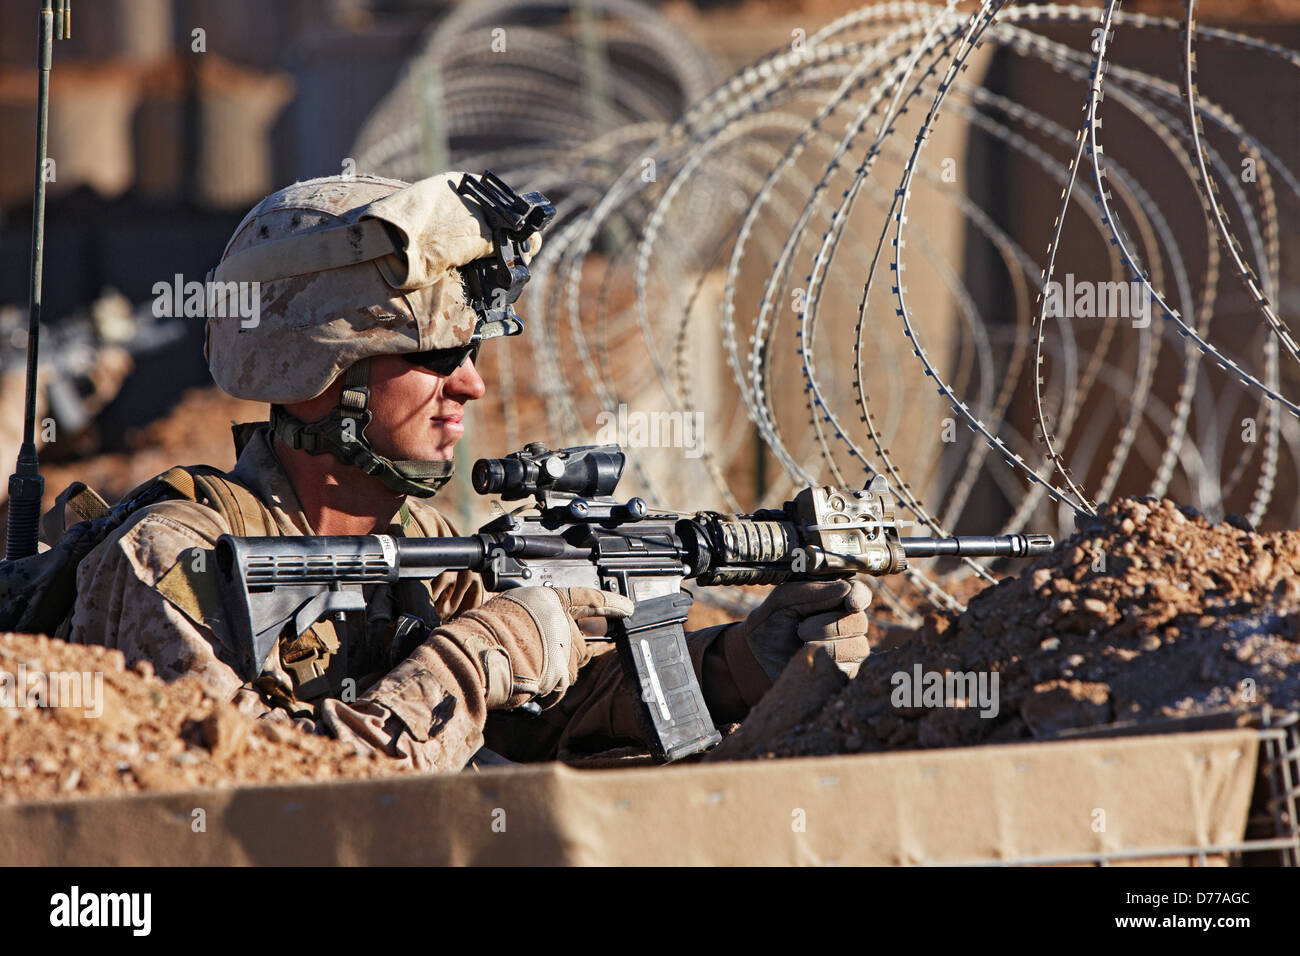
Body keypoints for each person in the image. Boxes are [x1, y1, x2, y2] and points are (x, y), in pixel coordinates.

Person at [68, 172, 871, 770]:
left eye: (473, 352)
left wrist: (739, 664)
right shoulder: (171, 562)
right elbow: (271, 797)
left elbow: (543, 722)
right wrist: (486, 648)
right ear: (318, 374)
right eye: (434, 356)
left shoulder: (432, 549)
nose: (472, 384)